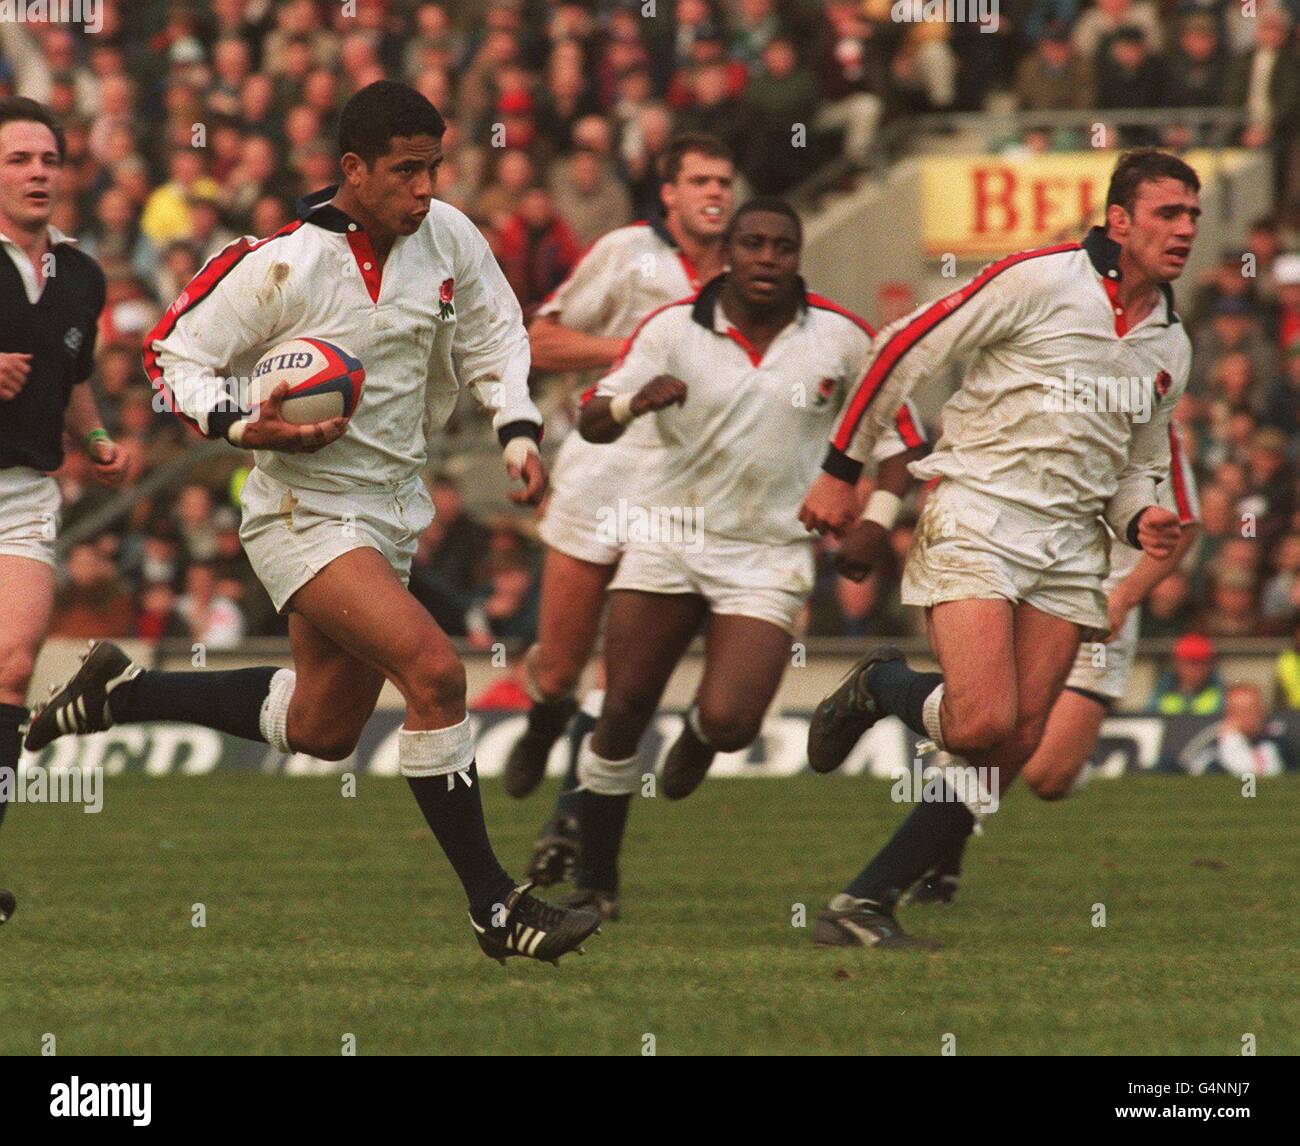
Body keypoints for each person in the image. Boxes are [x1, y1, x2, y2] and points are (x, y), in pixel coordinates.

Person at [24, 82, 599, 965]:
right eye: (407, 170)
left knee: (326, 728)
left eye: (435, 166)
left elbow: (499, 338)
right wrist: (241, 423)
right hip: (302, 509)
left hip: (394, 513)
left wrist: (519, 432)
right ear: (354, 170)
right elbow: (172, 354)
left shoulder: (450, 237)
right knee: (437, 675)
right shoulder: (280, 261)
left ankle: (122, 692)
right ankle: (496, 908)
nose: (426, 187)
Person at [798, 149, 1200, 948]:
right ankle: (882, 684)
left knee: (1015, 744)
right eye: (1168, 213)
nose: (1186, 229)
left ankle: (865, 903)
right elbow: (903, 345)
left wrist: (1138, 522)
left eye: (1193, 215)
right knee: (981, 723)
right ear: (1119, 220)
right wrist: (843, 468)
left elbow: (1138, 470)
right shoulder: (1039, 279)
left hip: (1072, 543)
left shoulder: (1170, 346)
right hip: (980, 510)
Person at [561, 198, 926, 920]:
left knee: (732, 722)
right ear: (726, 252)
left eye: (781, 246)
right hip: (668, 531)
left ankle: (700, 734)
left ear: (797, 256)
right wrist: (637, 404)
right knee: (625, 702)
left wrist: (876, 525)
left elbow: (902, 446)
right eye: (752, 244)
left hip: (767, 551)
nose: (766, 257)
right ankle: (595, 882)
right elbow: (591, 419)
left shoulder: (844, 338)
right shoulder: (671, 329)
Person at [503, 134, 737, 884]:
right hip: (602, 464)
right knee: (565, 663)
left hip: (683, 484)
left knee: (627, 679)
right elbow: (538, 340)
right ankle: (544, 713)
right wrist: (633, 351)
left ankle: (569, 818)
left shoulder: (747, 269)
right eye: (700, 179)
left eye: (724, 180)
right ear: (667, 192)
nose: (715, 193)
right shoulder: (628, 251)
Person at [907, 435, 1201, 905]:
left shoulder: (1148, 420)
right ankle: (938, 859)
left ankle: (1058, 760)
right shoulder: (1026, 401)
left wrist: (1123, 596)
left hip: (1102, 606)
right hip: (1022, 593)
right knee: (983, 728)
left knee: (1048, 775)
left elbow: (1184, 526)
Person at [0, 98, 131, 925]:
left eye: (48, 158)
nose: (37, 172)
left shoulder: (82, 275)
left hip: (24, 495)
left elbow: (75, 376)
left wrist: (97, 436)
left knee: (13, 667)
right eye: (18, 159)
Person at [1146, 632, 1225, 715]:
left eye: (1202, 663)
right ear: (1177, 664)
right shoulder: (1161, 694)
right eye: (1190, 663)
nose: (1196, 669)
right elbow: (1148, 720)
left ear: (1209, 666)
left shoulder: (1220, 696)